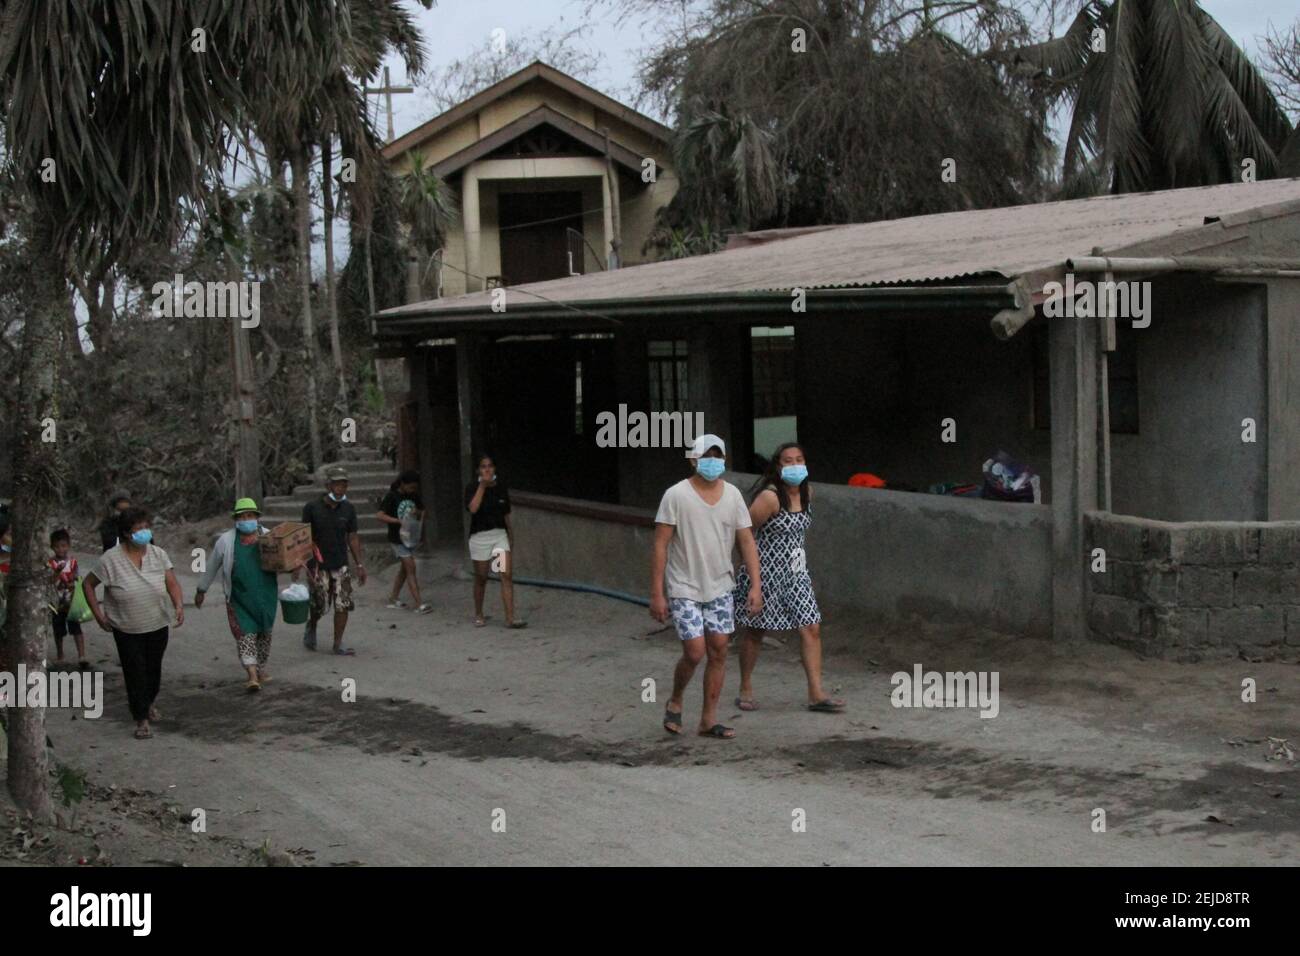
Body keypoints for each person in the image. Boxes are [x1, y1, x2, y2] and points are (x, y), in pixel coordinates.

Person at [650, 434, 762, 740]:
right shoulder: (676, 495)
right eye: (706, 455)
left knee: (719, 649)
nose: (712, 461)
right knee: (695, 650)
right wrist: (657, 593)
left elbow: (746, 541)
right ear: (692, 459)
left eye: (717, 455)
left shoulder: (734, 496)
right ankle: (676, 698)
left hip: (721, 586)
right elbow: (660, 545)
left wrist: (756, 584)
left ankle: (708, 719)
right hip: (684, 585)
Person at [734, 443, 844, 714]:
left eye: (799, 460)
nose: (794, 465)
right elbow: (744, 533)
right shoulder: (770, 498)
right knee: (756, 629)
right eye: (788, 461)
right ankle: (745, 686)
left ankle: (816, 692)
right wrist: (751, 577)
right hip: (764, 573)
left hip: (797, 574)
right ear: (778, 466)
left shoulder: (807, 492)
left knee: (811, 626)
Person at [81, 507, 184, 740]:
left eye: (147, 527)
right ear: (127, 533)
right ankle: (141, 719)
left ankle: (148, 702)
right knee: (135, 671)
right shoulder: (110, 559)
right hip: (126, 627)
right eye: (139, 529)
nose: (144, 532)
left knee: (153, 670)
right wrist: (98, 615)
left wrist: (178, 604)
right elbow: (87, 585)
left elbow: (172, 583)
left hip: (157, 623)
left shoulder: (158, 554)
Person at [195, 498, 280, 691]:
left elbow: (283, 558)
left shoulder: (270, 536)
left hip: (265, 595)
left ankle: (260, 668)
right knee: (245, 634)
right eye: (242, 516)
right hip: (238, 598)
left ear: (257, 518)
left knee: (264, 633)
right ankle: (251, 674)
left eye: (250, 516)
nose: (246, 520)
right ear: (236, 519)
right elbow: (212, 566)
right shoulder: (226, 541)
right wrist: (202, 589)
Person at [298, 465, 367, 655]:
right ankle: (311, 625)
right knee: (319, 604)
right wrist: (302, 562)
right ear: (329, 485)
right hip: (318, 565)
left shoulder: (348, 509)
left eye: (344, 484)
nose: (341, 488)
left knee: (342, 603)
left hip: (340, 563)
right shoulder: (312, 508)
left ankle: (338, 643)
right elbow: (304, 536)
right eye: (337, 484)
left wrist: (359, 564)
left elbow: (352, 537)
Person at [465, 455, 525, 629]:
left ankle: (510, 617)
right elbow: (473, 508)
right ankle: (478, 613)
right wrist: (482, 486)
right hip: (480, 538)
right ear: (478, 470)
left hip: (499, 536)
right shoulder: (472, 487)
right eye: (483, 467)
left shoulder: (501, 487)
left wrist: (510, 535)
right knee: (482, 578)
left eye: (490, 466)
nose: (487, 470)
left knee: (505, 575)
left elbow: (506, 513)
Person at [378, 470, 431, 613]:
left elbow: (423, 512)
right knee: (411, 567)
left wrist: (417, 513)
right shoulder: (392, 496)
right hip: (397, 538)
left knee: (405, 569)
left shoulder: (413, 496)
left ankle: (393, 598)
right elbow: (380, 515)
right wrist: (397, 521)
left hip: (410, 538)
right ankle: (419, 603)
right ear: (402, 484)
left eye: (414, 488)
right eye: (410, 487)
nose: (412, 490)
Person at [48, 529, 88, 671]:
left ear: (68, 546)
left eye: (63, 546)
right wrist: (57, 573)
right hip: (56, 603)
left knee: (76, 628)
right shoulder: (50, 564)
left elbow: (78, 579)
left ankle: (82, 656)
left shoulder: (73, 563)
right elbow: (49, 581)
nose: (61, 549)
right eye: (58, 546)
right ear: (52, 547)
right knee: (58, 630)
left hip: (71, 602)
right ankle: (60, 655)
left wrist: (73, 581)